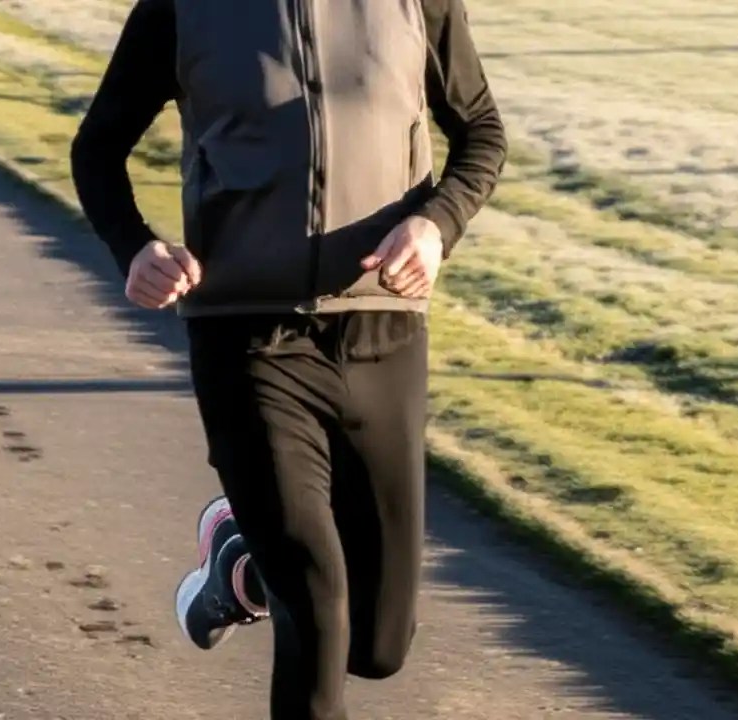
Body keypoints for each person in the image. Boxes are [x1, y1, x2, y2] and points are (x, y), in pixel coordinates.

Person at [69, 0, 506, 718]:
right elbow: (98, 147)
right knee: (315, 603)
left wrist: (436, 225)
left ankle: (242, 563)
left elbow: (482, 132)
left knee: (377, 645)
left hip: (382, 330)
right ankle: (268, 557)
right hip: (246, 337)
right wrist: (136, 246)